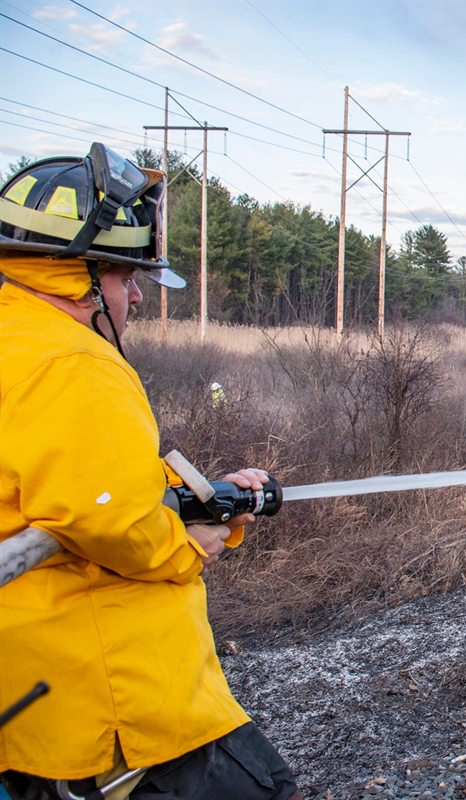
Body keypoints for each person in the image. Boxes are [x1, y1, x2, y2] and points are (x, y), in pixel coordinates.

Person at [0, 144, 299, 800]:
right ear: (75, 273)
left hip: (34, 699)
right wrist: (188, 542)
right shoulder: (73, 362)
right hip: (114, 706)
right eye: (124, 275)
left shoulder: (15, 339)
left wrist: (199, 493)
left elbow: (87, 480)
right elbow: (107, 514)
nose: (135, 295)